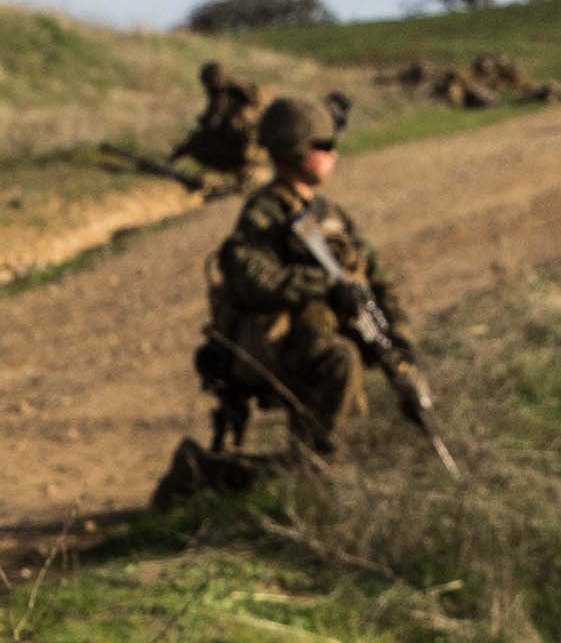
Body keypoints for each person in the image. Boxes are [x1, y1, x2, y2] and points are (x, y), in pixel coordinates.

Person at [197, 91, 412, 457]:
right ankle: (318, 464)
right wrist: (325, 286)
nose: (334, 154)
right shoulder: (264, 213)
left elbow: (373, 274)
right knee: (339, 361)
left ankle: (317, 458)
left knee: (370, 365)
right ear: (295, 151)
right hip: (281, 343)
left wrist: (400, 338)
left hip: (324, 332)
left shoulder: (331, 214)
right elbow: (251, 280)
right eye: (324, 146)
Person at [166, 60, 268, 194]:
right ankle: (243, 176)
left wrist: (181, 151)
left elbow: (209, 126)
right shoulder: (242, 96)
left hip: (242, 153)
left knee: (198, 143)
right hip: (259, 154)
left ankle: (234, 178)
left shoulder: (222, 96)